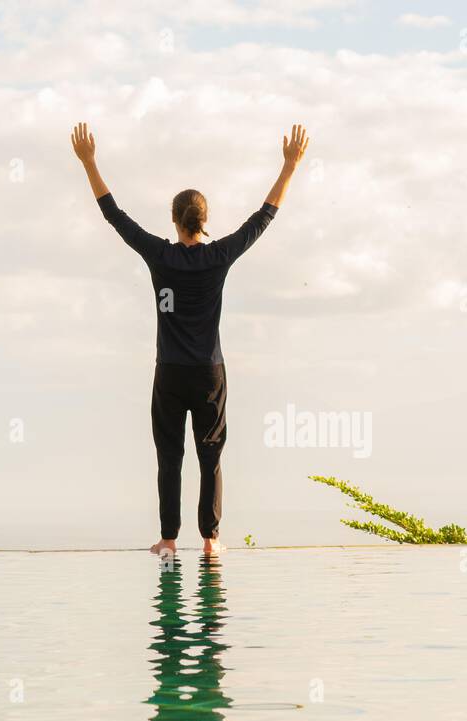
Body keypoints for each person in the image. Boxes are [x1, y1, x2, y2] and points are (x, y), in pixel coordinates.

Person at [71, 121, 309, 556]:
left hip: (170, 374)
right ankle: (211, 540)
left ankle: (167, 539)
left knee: (170, 458)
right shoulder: (219, 256)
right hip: (209, 374)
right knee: (210, 456)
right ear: (204, 221)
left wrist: (89, 163)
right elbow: (263, 218)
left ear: (175, 221)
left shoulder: (161, 255)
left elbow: (114, 215)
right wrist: (289, 168)